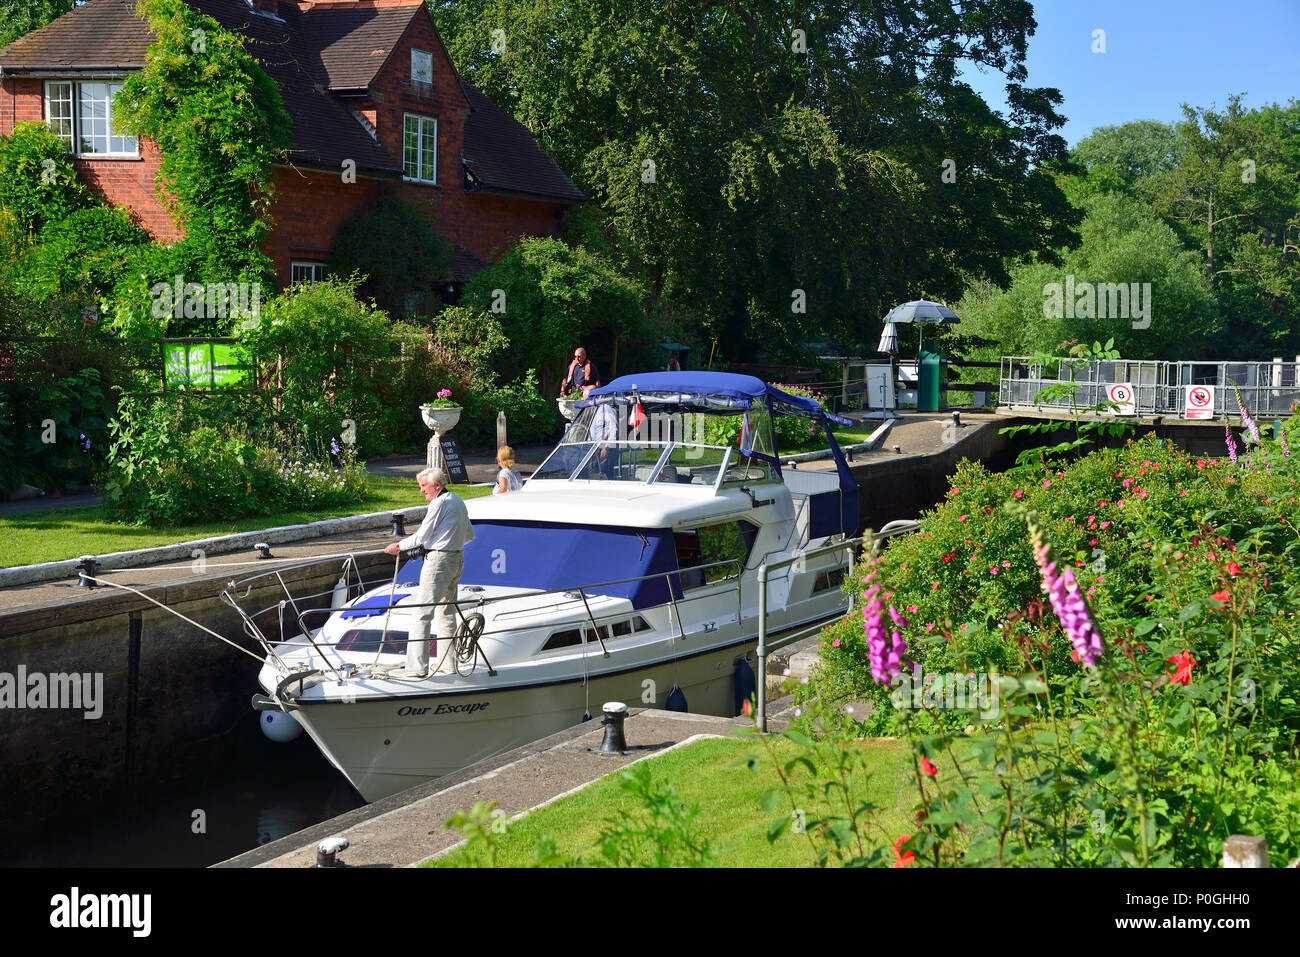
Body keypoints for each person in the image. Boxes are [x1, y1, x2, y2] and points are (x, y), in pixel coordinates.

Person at [384, 467, 474, 678]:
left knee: (422, 614)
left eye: (424, 486)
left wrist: (399, 546)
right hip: (456, 558)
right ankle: (448, 664)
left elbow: (423, 535)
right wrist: (449, 542)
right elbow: (470, 534)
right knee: (446, 613)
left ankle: (417, 668)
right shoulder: (458, 501)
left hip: (438, 562)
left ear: (437, 485)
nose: (421, 491)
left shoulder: (439, 503)